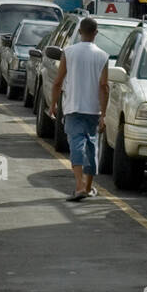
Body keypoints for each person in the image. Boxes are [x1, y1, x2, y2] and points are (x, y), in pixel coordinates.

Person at [48, 16, 110, 202]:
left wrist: (53, 104)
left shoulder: (68, 52)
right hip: (93, 109)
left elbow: (58, 82)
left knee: (76, 143)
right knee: (91, 145)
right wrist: (104, 114)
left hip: (73, 107)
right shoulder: (103, 56)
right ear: (96, 33)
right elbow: (104, 86)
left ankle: (79, 185)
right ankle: (89, 186)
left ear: (80, 32)